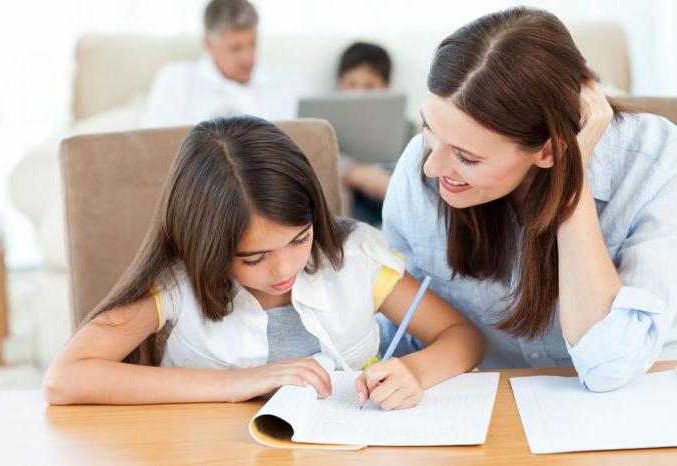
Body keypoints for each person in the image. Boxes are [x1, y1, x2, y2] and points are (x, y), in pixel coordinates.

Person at [43, 116, 485, 408]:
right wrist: (241, 383)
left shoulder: (352, 258)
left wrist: (415, 371)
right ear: (206, 247)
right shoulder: (176, 284)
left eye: (299, 239)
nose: (283, 271)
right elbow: (65, 378)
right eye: (253, 258)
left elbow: (463, 335)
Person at [381, 7, 677, 392]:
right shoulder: (419, 167)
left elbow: (610, 368)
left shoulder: (656, 163)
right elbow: (402, 328)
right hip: (489, 406)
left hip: (632, 404)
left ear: (547, 151)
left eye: (467, 157)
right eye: (428, 129)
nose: (431, 168)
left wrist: (572, 176)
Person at [140, 0, 305, 128]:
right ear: (208, 44)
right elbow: (154, 147)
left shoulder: (289, 82)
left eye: (252, 44)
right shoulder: (176, 81)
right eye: (235, 48)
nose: (248, 58)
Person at [336, 42, 399, 225]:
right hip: (352, 198)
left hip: (389, 188)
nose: (359, 93)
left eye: (369, 86)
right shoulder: (325, 126)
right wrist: (355, 173)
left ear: (387, 87)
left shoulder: (404, 124)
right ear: (340, 84)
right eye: (352, 84)